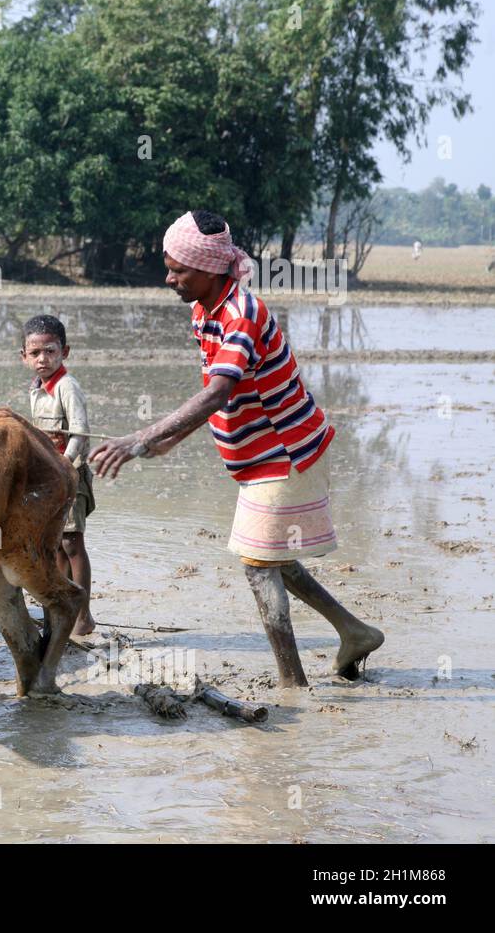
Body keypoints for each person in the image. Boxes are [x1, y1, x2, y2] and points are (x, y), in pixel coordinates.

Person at [89, 210, 383, 685]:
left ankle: (292, 682)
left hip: (285, 452)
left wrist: (140, 438)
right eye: (169, 267)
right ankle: (354, 631)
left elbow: (218, 392)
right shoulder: (203, 310)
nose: (169, 278)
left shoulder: (241, 314)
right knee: (273, 557)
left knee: (257, 564)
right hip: (260, 456)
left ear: (209, 269)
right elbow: (213, 388)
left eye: (178, 270)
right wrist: (168, 441)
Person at [22, 314, 96, 636]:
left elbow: (80, 434)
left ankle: (83, 615)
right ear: (23, 357)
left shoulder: (67, 386)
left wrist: (63, 465)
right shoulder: (37, 388)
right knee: (54, 545)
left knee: (72, 542)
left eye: (50, 351)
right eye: (35, 353)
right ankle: (62, 606)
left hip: (70, 474)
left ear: (65, 352)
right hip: (49, 477)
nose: (43, 359)